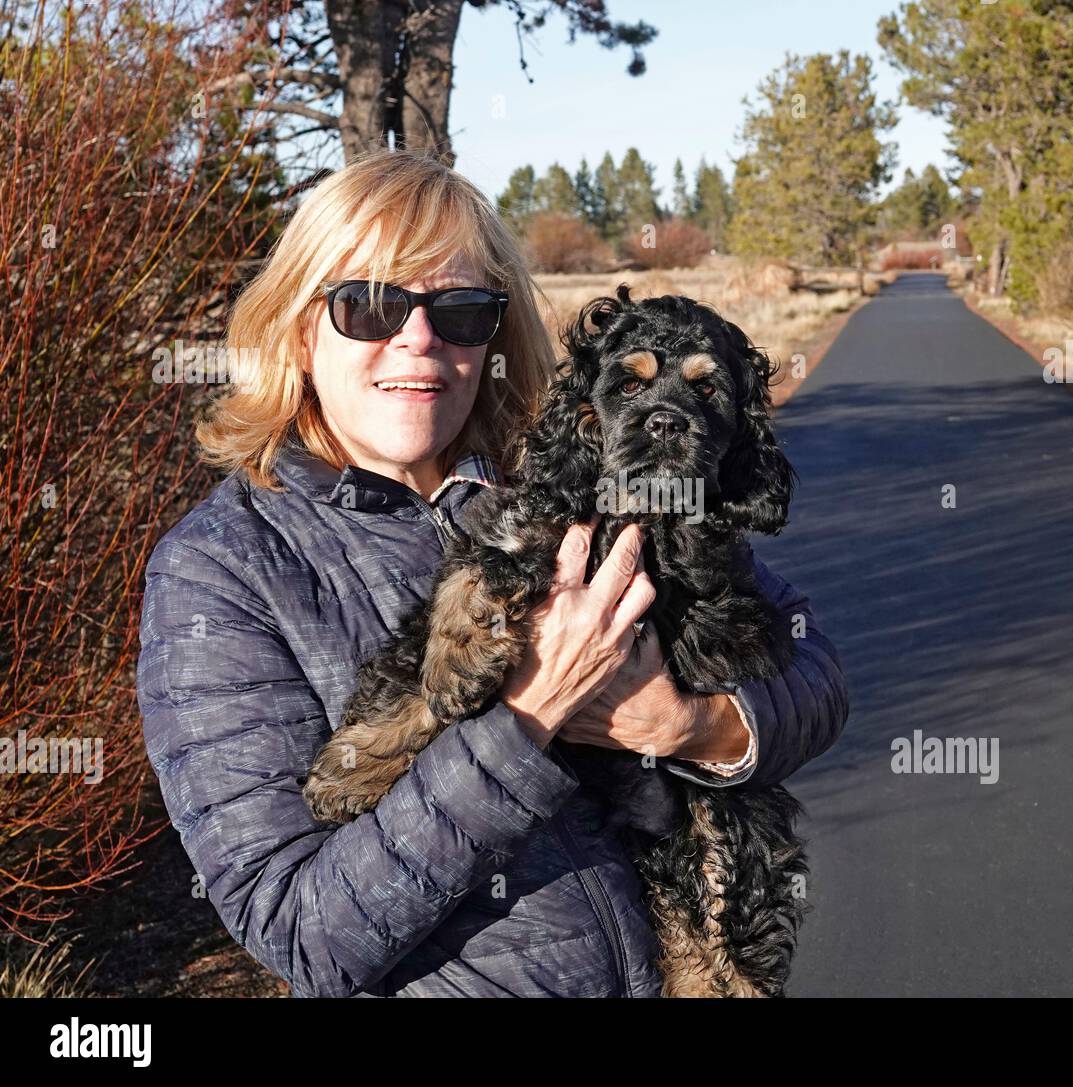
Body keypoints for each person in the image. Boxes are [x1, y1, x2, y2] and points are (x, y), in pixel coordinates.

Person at [135, 148, 849, 998]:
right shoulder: (221, 571)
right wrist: (529, 714)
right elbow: (303, 931)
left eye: (461, 310)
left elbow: (818, 672)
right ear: (297, 328)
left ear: (494, 336)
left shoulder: (569, 464)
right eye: (369, 305)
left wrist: (692, 727)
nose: (419, 338)